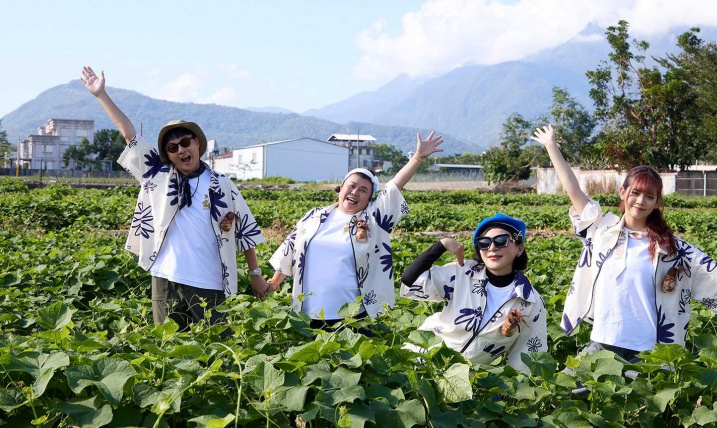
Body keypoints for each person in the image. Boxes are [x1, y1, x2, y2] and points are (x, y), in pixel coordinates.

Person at [531, 124, 717, 363]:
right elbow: (573, 189)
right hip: (604, 341)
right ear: (622, 193)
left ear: (656, 202)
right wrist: (551, 146)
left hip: (649, 350)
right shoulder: (601, 230)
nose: (640, 201)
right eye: (635, 193)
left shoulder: (669, 247)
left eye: (649, 197)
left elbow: (711, 270)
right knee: (568, 391)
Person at [81, 66, 271, 330]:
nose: (181, 149)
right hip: (166, 279)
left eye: (185, 142)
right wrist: (101, 95)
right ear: (167, 155)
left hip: (211, 282)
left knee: (216, 349)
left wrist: (256, 275)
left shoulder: (222, 184)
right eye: (172, 148)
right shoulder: (158, 176)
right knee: (168, 353)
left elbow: (245, 230)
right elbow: (129, 136)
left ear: (196, 143)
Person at [265, 133, 444, 331]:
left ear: (369, 199)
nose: (355, 192)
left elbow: (394, 186)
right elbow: (290, 252)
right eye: (351, 186)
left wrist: (417, 157)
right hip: (307, 313)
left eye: (363, 190)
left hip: (352, 316)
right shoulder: (314, 217)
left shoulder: (373, 218)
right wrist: (273, 282)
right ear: (340, 188)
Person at [400, 213, 547, 375]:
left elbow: (527, 352)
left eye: (501, 241)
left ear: (519, 248)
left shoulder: (530, 301)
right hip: (421, 357)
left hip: (463, 378)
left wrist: (513, 390)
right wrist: (441, 245)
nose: (492, 248)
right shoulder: (462, 274)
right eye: (484, 243)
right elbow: (410, 282)